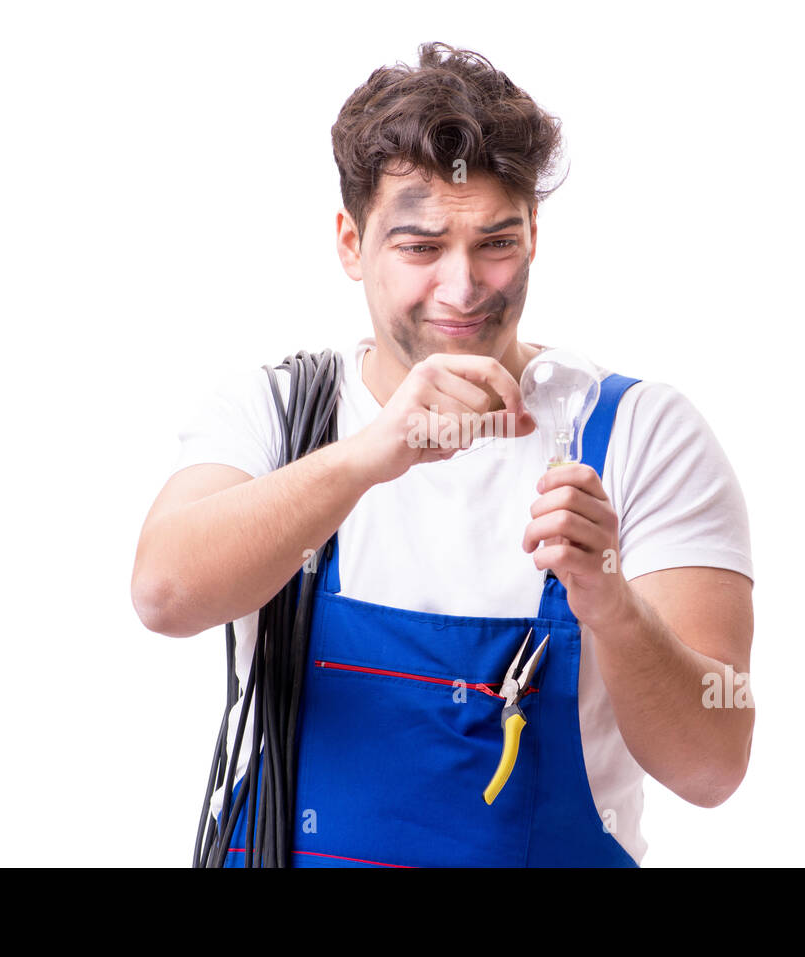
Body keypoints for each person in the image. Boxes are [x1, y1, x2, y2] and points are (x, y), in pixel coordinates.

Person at [131, 41, 755, 867]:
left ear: (535, 231)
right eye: (420, 248)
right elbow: (164, 592)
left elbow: (714, 764)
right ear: (351, 242)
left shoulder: (642, 435)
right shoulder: (278, 414)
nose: (462, 289)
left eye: (495, 242)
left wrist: (609, 601)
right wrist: (368, 454)